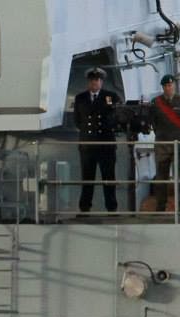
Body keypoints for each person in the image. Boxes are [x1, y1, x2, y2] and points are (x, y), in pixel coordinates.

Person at [73, 67, 120, 214]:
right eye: (92, 80)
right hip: (88, 145)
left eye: (97, 80)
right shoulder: (80, 98)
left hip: (106, 144)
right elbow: (77, 121)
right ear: (89, 82)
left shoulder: (111, 97)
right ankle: (85, 208)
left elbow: (117, 117)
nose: (95, 82)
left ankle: (112, 208)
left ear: (101, 82)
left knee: (109, 178)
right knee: (87, 178)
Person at [149, 74, 180, 214]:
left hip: (179, 145)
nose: (168, 88)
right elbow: (154, 123)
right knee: (161, 177)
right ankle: (160, 207)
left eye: (170, 85)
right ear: (163, 87)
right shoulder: (156, 103)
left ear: (174, 86)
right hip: (162, 145)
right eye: (165, 86)